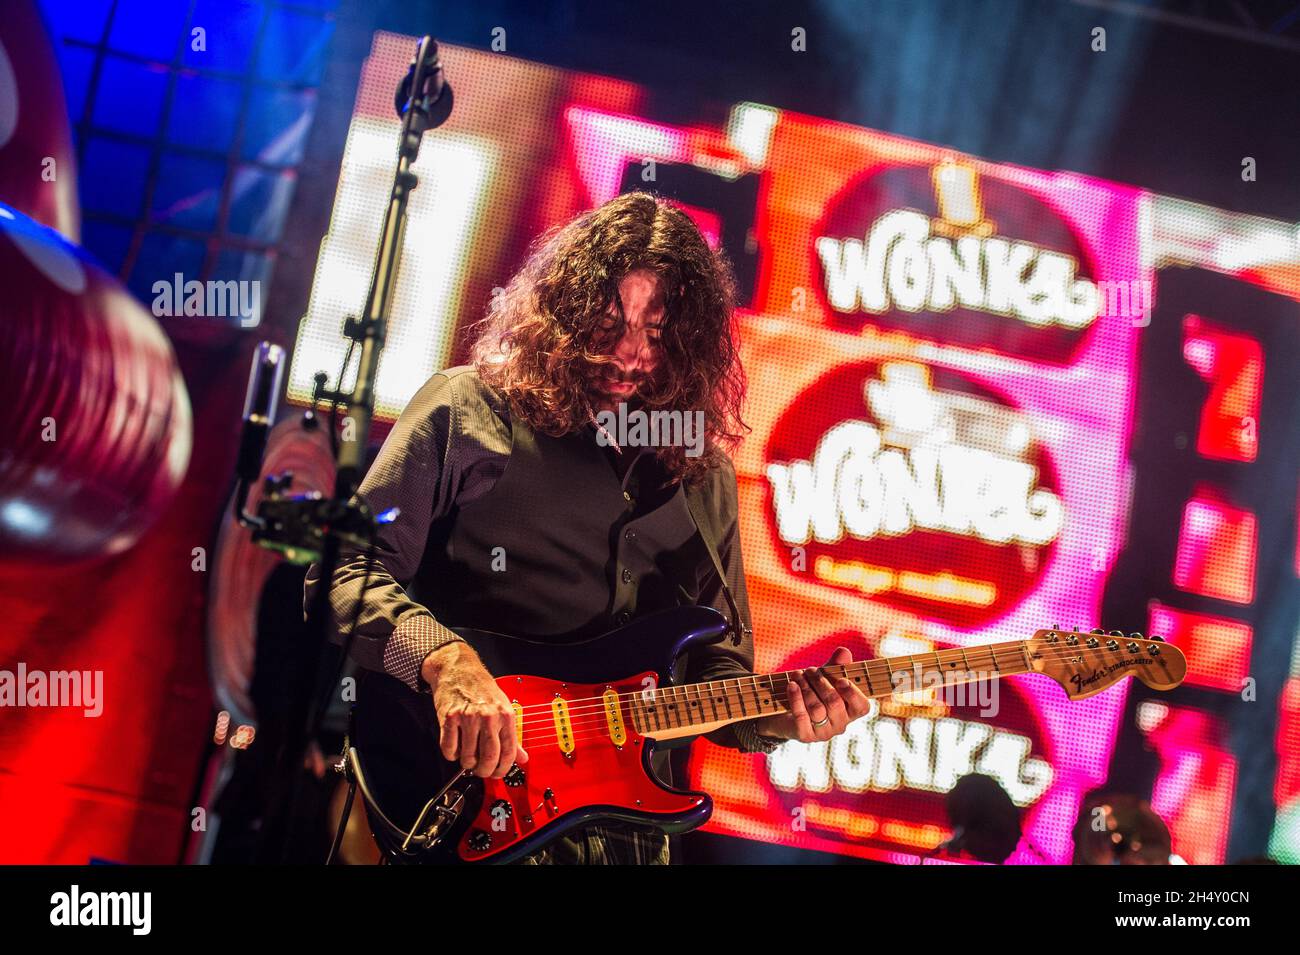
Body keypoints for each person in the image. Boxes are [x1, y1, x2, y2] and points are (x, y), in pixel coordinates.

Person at [305, 191, 872, 864]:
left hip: (624, 837)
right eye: (608, 321)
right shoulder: (467, 411)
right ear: (561, 314)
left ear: (690, 346)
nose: (628, 353)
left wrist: (784, 715)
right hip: (458, 797)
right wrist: (444, 658)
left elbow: (715, 667)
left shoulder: (703, 474)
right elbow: (342, 571)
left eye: (656, 334)